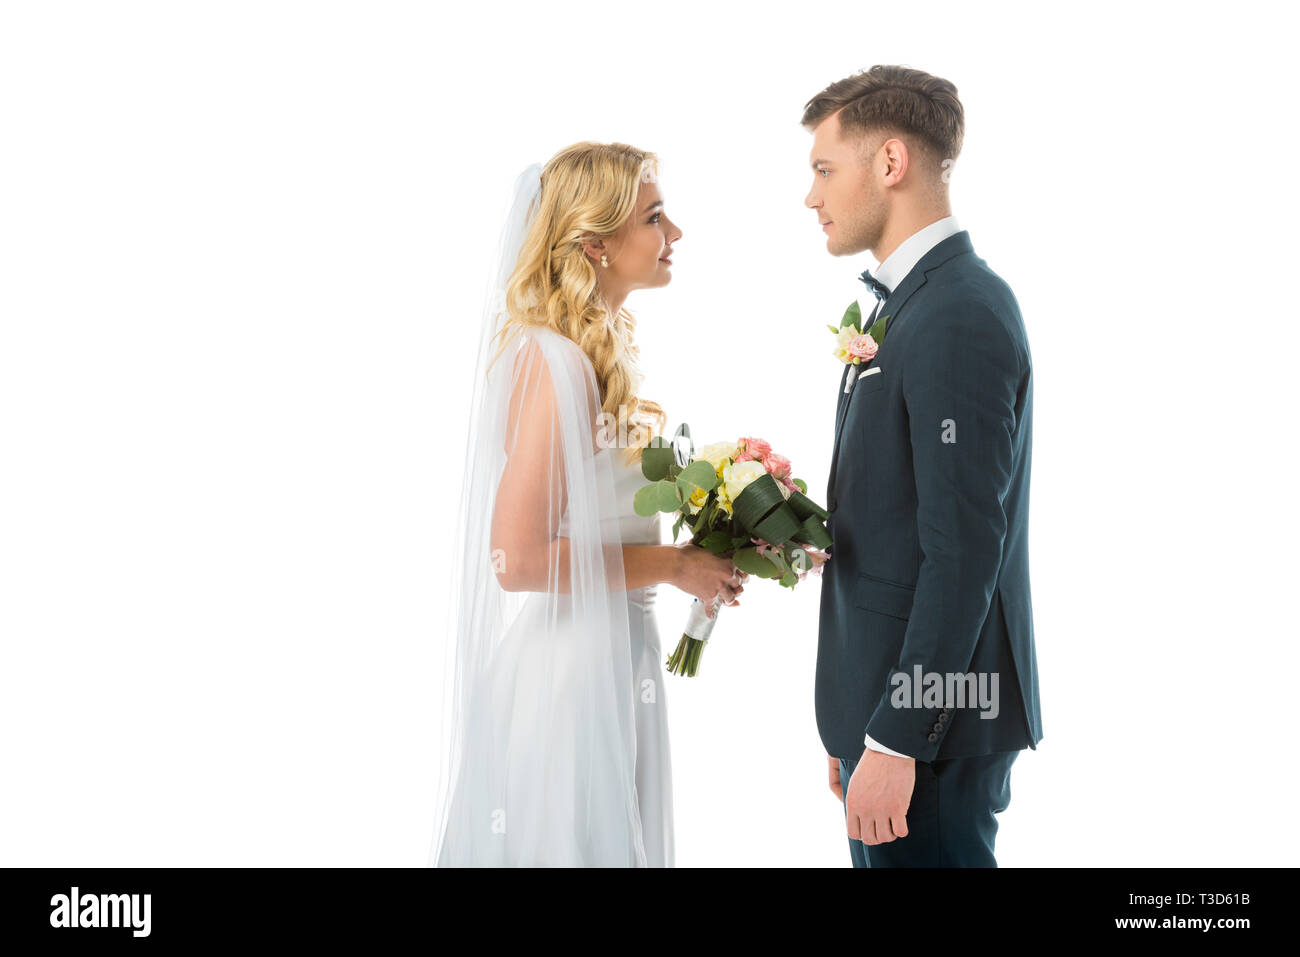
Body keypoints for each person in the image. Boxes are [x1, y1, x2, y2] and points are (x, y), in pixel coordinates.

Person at [429, 143, 746, 867]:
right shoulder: (555, 361)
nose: (676, 234)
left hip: (612, 656)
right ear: (595, 243)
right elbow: (519, 558)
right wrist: (673, 563)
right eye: (655, 217)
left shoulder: (593, 353)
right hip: (570, 677)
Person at [804, 65, 1043, 867]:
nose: (812, 196)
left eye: (824, 169)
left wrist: (899, 738)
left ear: (892, 162)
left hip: (930, 735)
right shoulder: (911, 303)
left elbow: (965, 549)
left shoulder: (959, 311)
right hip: (887, 715)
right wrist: (856, 721)